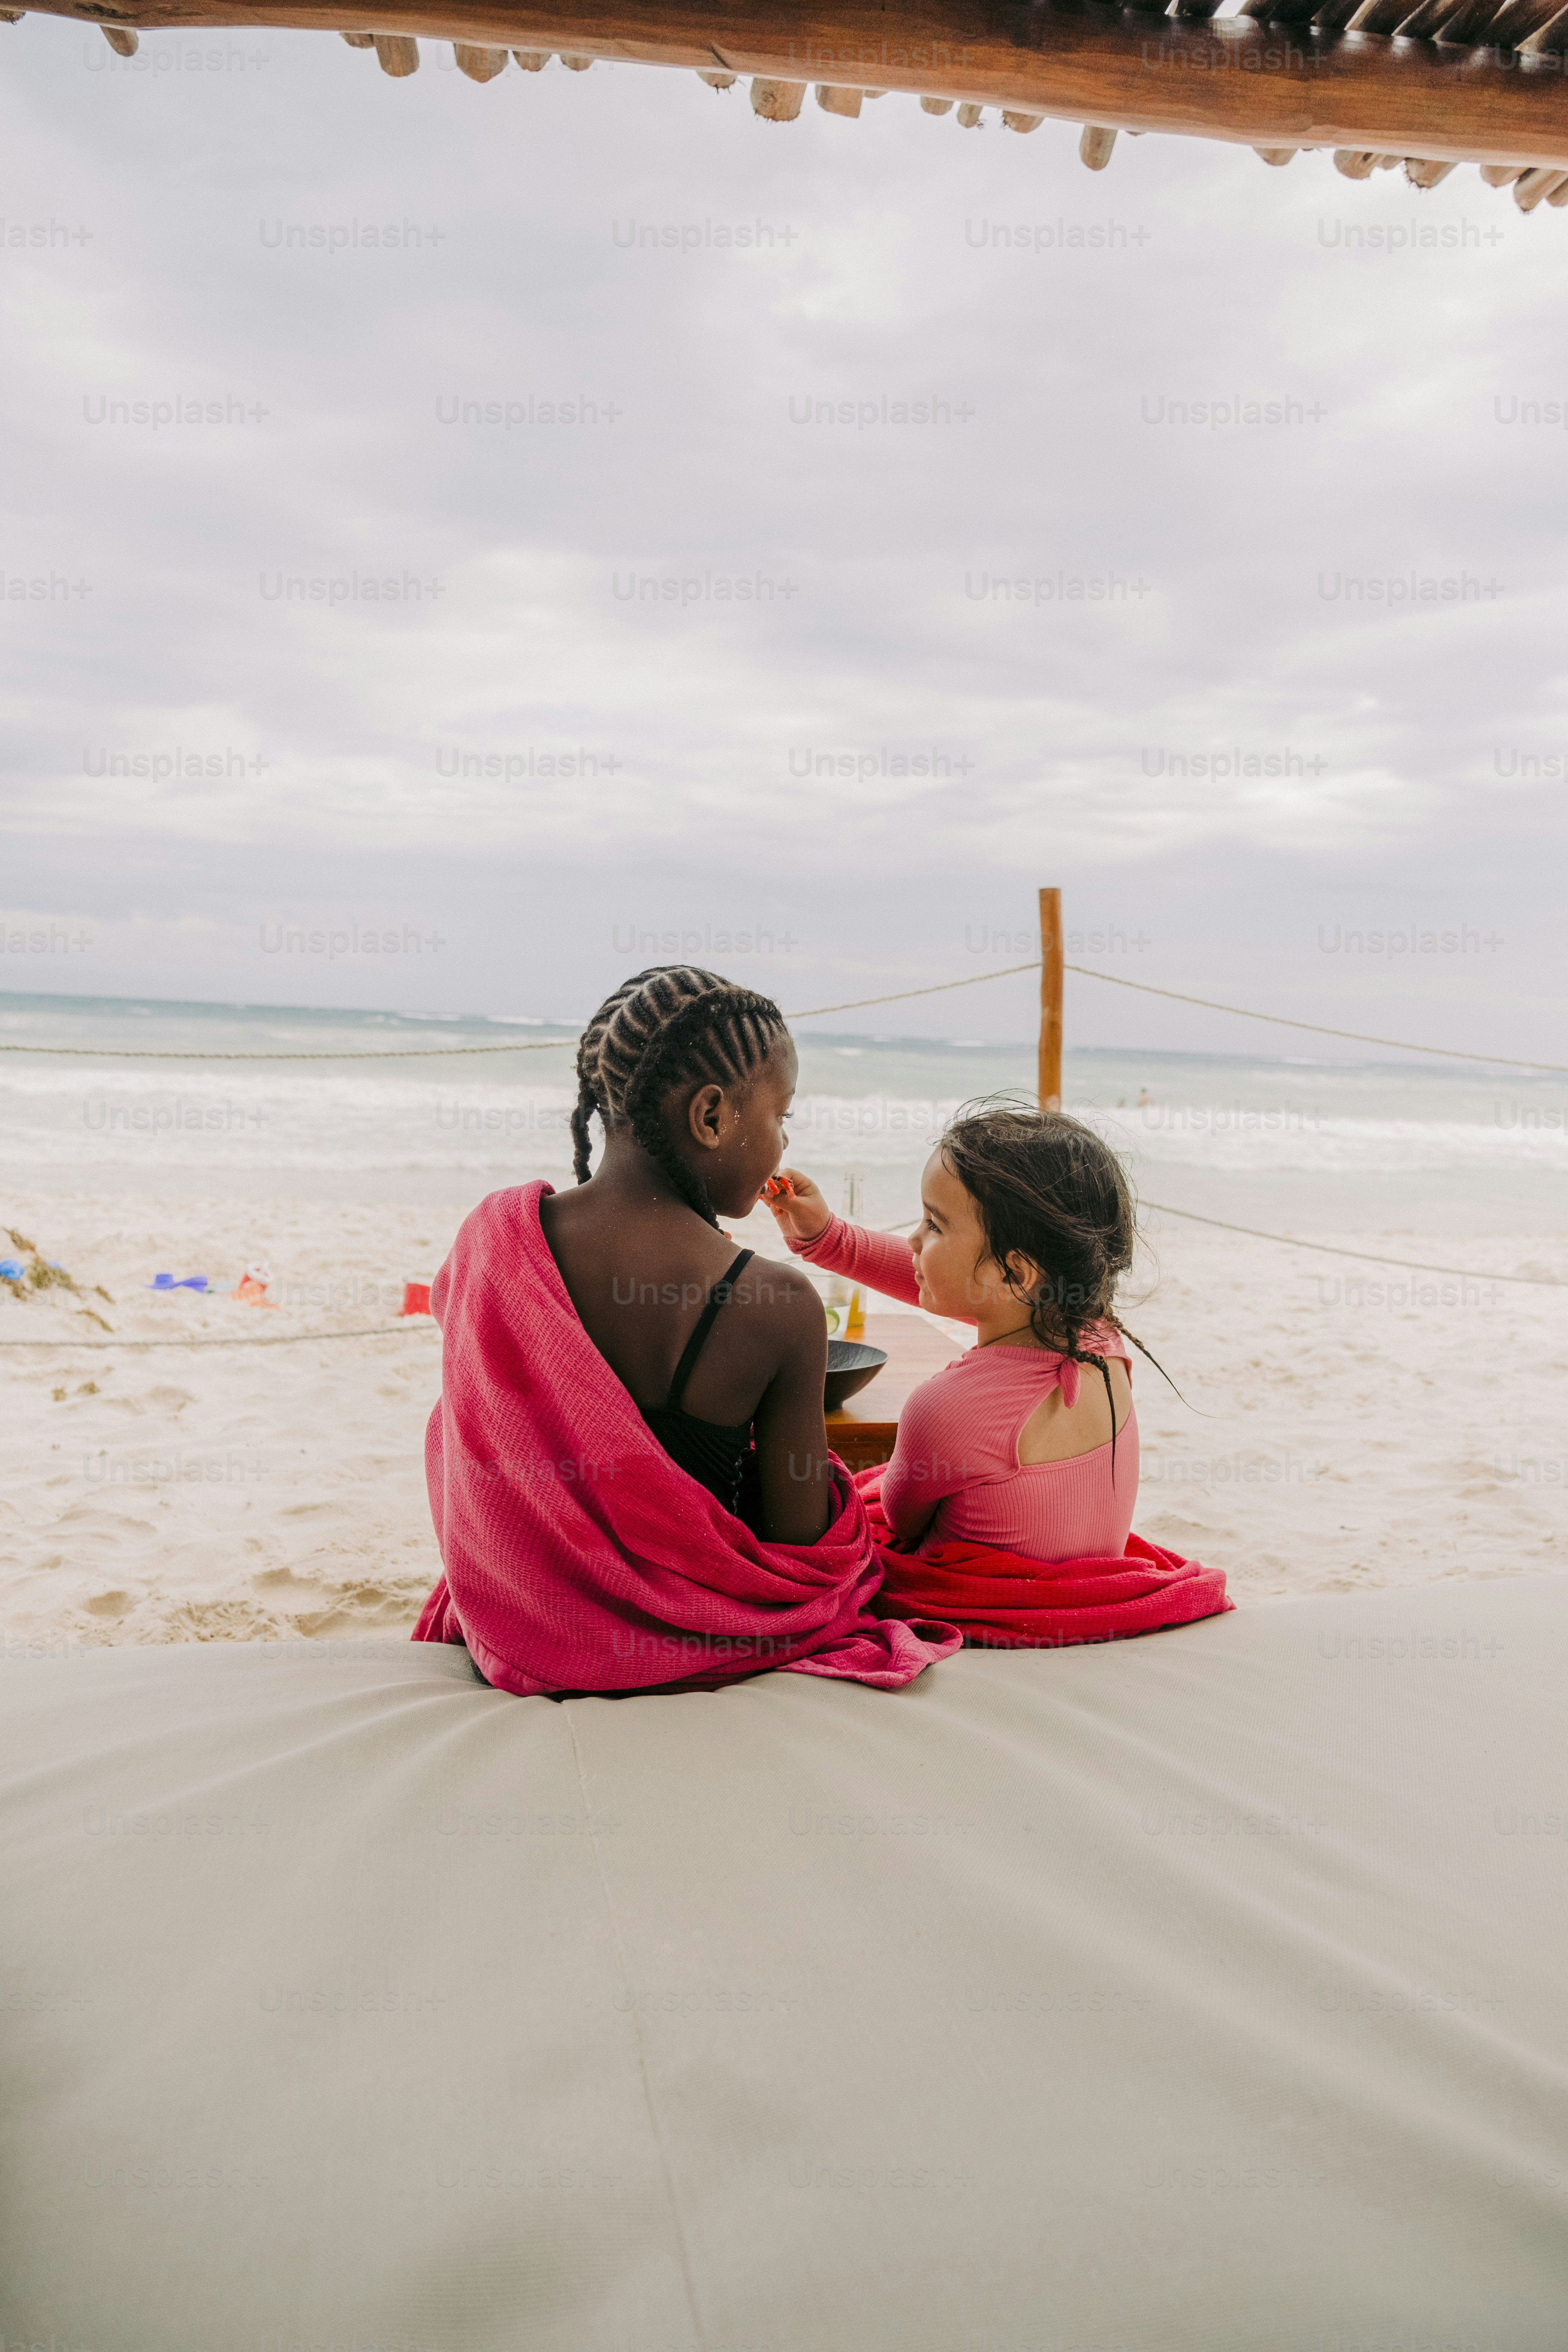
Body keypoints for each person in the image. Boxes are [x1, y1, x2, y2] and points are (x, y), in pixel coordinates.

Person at [411, 965, 960, 1696]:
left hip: (525, 1635)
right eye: (781, 1118)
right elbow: (803, 1550)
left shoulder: (495, 1241)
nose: (783, 1143)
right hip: (692, 1643)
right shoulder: (776, 1303)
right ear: (711, 1118)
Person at [763, 1101, 1156, 1561]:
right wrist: (827, 1237)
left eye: (933, 1224)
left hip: (972, 1614)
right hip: (1073, 1598)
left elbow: (901, 1520)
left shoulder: (943, 1409)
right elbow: (964, 1286)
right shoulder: (1099, 1340)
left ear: (1015, 1274)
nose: (913, 1240)